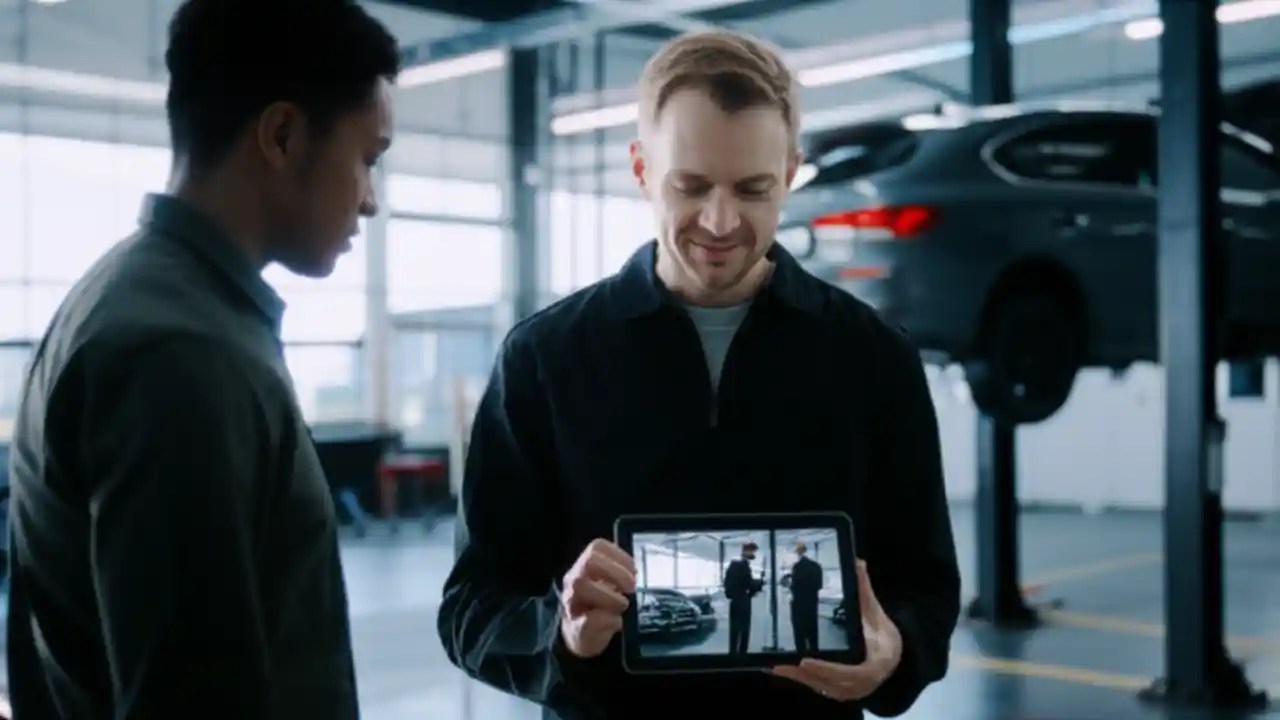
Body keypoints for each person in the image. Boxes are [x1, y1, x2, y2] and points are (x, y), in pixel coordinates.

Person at [437, 28, 960, 719]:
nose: (720, 222)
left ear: (793, 172)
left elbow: (925, 589)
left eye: (753, 190)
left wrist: (896, 653)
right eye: (691, 186)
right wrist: (558, 632)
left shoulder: (873, 359)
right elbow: (473, 605)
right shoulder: (544, 358)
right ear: (641, 170)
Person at [5, 2, 398, 718]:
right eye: (367, 159)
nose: (370, 201)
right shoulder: (182, 354)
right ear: (281, 135)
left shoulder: (128, 298)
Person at [722, 541, 764, 654]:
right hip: (743, 602)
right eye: (752, 551)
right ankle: (742, 656)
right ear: (746, 551)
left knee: (734, 631)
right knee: (744, 631)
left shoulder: (733, 565)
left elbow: (727, 583)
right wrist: (758, 584)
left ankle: (732, 655)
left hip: (735, 602)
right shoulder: (743, 566)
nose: (754, 554)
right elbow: (747, 583)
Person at [788, 542, 824, 654]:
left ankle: (801, 655)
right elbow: (819, 585)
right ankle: (814, 654)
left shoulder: (797, 567)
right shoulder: (817, 566)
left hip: (798, 604)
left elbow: (794, 586)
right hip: (812, 603)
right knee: (812, 631)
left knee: (799, 633)